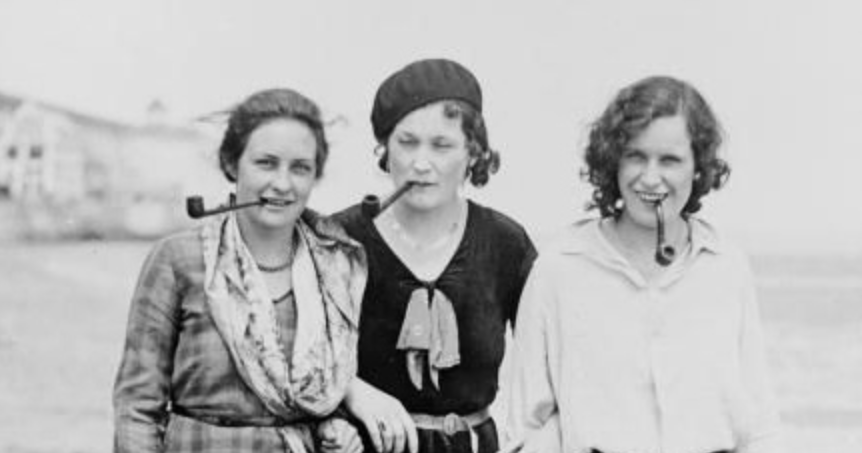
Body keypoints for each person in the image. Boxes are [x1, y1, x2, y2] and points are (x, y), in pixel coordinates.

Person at [506, 76, 782, 453]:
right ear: (612, 161)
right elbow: (525, 427)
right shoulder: (559, 268)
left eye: (669, 160)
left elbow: (759, 424)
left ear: (699, 168)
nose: (650, 177)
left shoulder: (727, 267)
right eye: (636, 156)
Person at [113, 88, 367, 453]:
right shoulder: (179, 260)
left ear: (315, 176)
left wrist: (339, 428)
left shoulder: (336, 268)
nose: (282, 183)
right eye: (266, 163)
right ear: (233, 164)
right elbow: (137, 408)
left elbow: (330, 393)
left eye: (300, 168)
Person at [333, 58, 537, 453]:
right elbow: (296, 356)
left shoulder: (505, 243)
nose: (421, 163)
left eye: (442, 145)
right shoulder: (339, 239)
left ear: (473, 153)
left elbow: (548, 358)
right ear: (385, 148)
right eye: (406, 142)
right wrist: (352, 391)